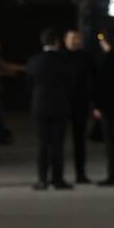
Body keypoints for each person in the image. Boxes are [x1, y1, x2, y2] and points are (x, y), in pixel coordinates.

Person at [25, 26, 74, 190]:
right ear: (57, 42)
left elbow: (29, 84)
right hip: (60, 106)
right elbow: (70, 84)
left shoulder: (34, 60)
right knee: (57, 145)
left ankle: (42, 180)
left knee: (43, 144)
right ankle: (57, 179)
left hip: (40, 106)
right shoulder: (64, 61)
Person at [63, 27, 94, 183]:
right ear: (65, 40)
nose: (76, 41)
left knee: (79, 141)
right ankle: (57, 175)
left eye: (78, 38)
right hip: (62, 104)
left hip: (80, 104)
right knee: (56, 141)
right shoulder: (59, 57)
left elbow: (92, 82)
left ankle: (80, 173)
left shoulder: (86, 58)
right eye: (73, 38)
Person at [92, 33, 114, 186]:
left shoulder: (106, 60)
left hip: (109, 108)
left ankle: (113, 175)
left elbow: (100, 86)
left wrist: (97, 106)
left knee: (112, 143)